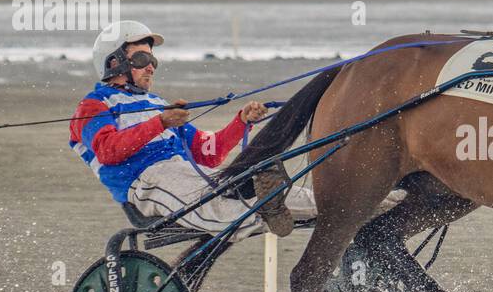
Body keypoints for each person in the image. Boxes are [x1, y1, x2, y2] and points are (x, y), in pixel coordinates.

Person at [69, 20, 313, 238]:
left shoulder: (157, 104)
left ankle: (328, 203)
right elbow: (108, 151)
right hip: (145, 182)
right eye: (142, 60)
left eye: (153, 60)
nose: (151, 67)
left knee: (285, 194)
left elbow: (209, 152)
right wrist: (161, 123)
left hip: (186, 173)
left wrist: (241, 121)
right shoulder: (93, 105)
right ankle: (265, 206)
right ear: (114, 62)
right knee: (218, 205)